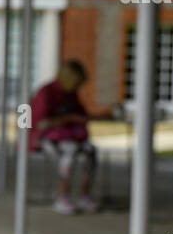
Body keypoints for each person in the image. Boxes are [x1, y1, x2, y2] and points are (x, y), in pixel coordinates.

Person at [29, 59, 114, 215]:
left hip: (69, 136)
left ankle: (85, 195)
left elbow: (82, 115)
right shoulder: (46, 93)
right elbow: (39, 123)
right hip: (45, 138)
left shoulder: (71, 93)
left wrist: (102, 116)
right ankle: (62, 197)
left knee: (90, 150)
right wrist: (68, 119)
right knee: (70, 150)